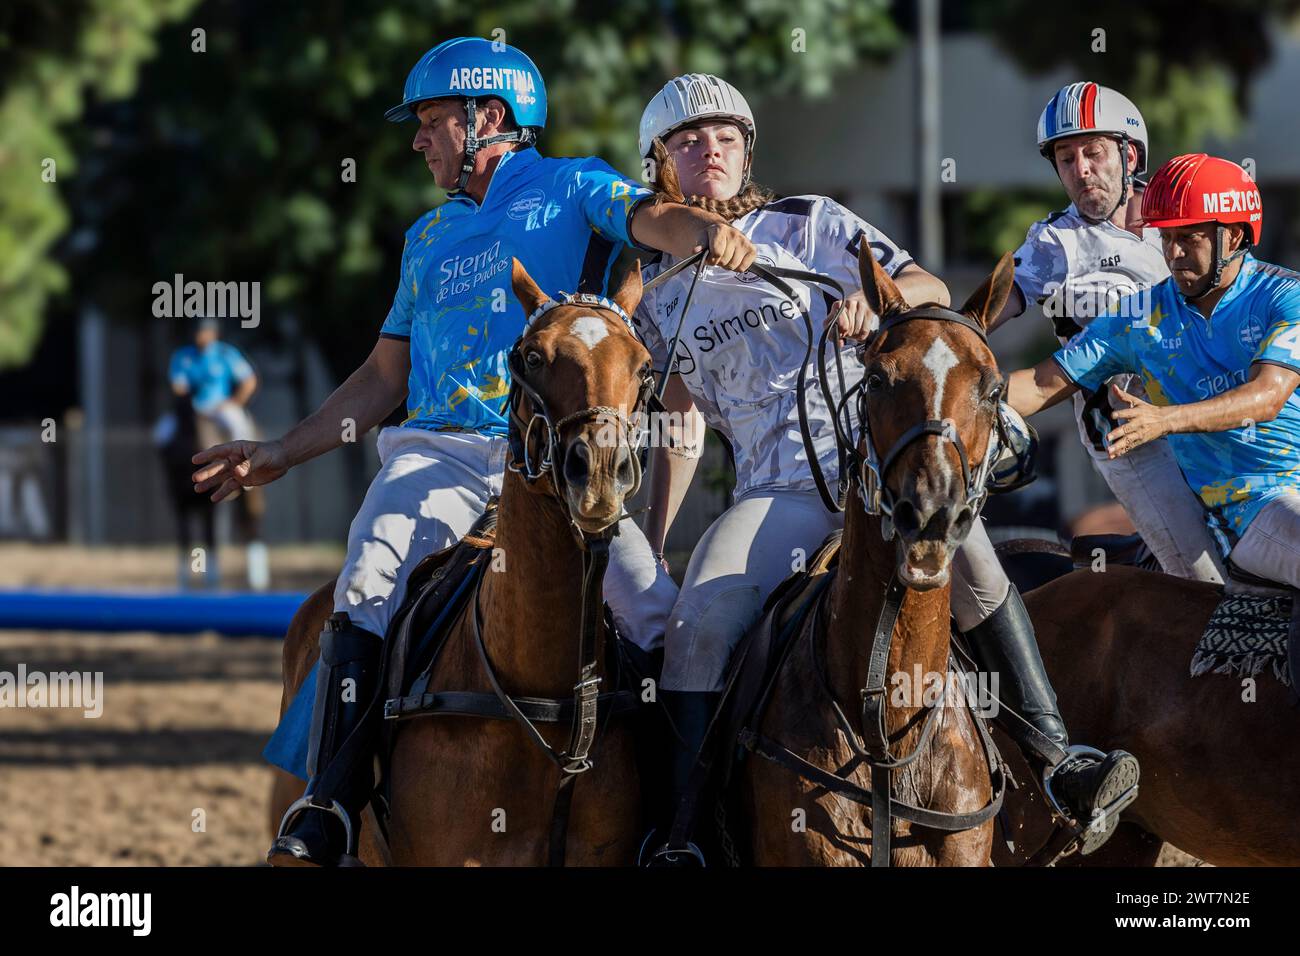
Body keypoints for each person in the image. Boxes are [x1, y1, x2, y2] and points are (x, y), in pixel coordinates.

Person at [192, 38, 760, 867]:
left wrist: (704, 230)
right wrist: (285, 449)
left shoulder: (572, 185)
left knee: (658, 616)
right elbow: (383, 375)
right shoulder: (425, 237)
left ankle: (681, 834)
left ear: (486, 117)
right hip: (437, 454)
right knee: (368, 571)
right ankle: (331, 815)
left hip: (557, 464)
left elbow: (649, 218)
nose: (418, 141)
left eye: (429, 123)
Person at [632, 73, 1138, 864]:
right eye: (690, 143)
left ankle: (1059, 763)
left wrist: (884, 302)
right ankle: (687, 835)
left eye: (727, 138)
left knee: (977, 569)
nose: (712, 153)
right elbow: (681, 421)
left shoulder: (810, 223)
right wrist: (656, 538)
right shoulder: (657, 296)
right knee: (695, 631)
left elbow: (931, 290)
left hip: (877, 475)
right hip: (778, 496)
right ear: (659, 161)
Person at [1009, 154, 1300, 591]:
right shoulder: (1137, 316)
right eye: (1166, 238)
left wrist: (1164, 420)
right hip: (1253, 507)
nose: (1173, 254)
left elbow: (1268, 395)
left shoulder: (1286, 294)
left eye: (1188, 238)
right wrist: (944, 394)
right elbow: (1036, 385)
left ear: (1234, 235)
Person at [992, 82, 1224, 582]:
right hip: (1129, 439)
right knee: (1206, 581)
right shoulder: (1055, 241)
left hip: (1212, 417)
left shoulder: (1184, 211)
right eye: (1066, 158)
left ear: (1130, 153)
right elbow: (991, 307)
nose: (1081, 171)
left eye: (1094, 153)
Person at [168, 316, 268, 589]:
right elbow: (178, 385)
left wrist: (233, 402)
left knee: (239, 426)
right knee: (163, 433)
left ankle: (246, 469)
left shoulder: (225, 354)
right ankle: (174, 477)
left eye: (205, 332)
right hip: (196, 410)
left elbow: (248, 381)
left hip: (221, 408)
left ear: (213, 334)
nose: (201, 337)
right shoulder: (184, 356)